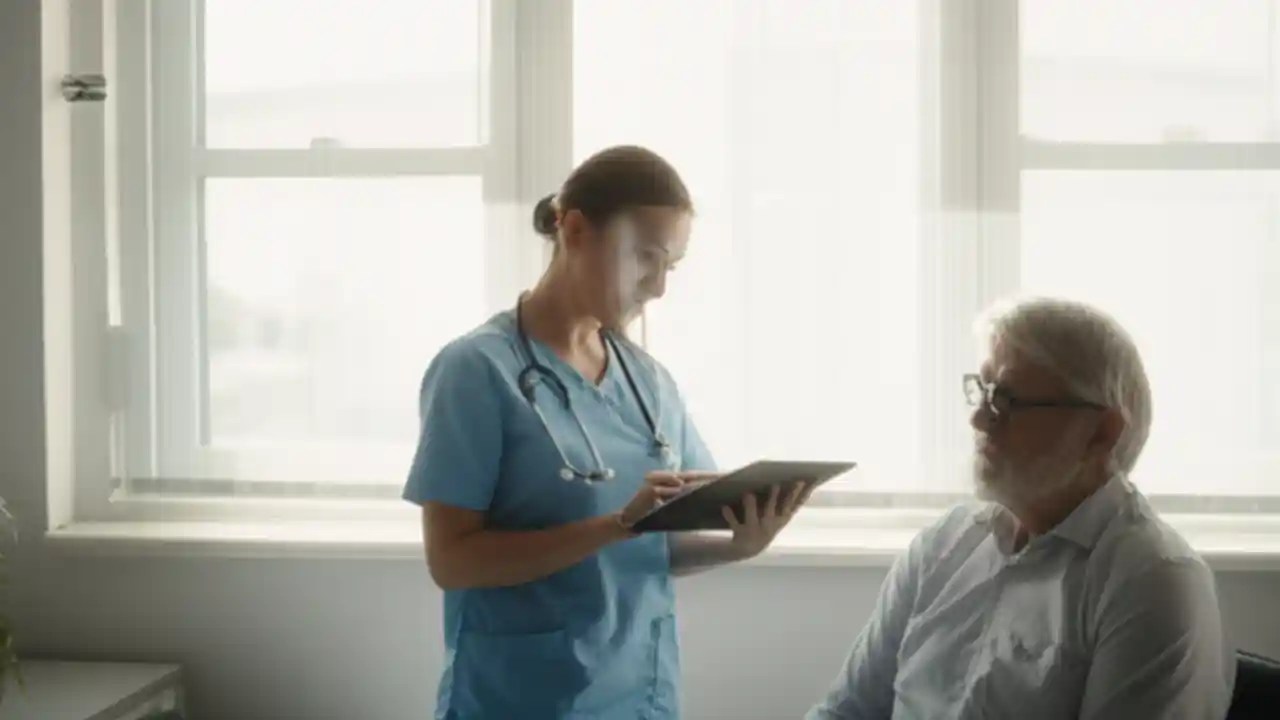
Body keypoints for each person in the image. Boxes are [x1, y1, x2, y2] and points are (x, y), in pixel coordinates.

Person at [404, 145, 810, 719]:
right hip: (521, 699)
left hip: (641, 698)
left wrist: (736, 546)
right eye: (645, 257)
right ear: (575, 231)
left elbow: (655, 544)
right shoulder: (476, 371)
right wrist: (617, 525)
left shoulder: (648, 381)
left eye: (671, 266)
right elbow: (453, 562)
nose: (658, 287)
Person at [807, 296, 1235, 719]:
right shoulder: (943, 545)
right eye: (983, 390)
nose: (979, 419)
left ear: (1101, 433)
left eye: (1008, 399)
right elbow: (846, 710)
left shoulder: (1151, 581)